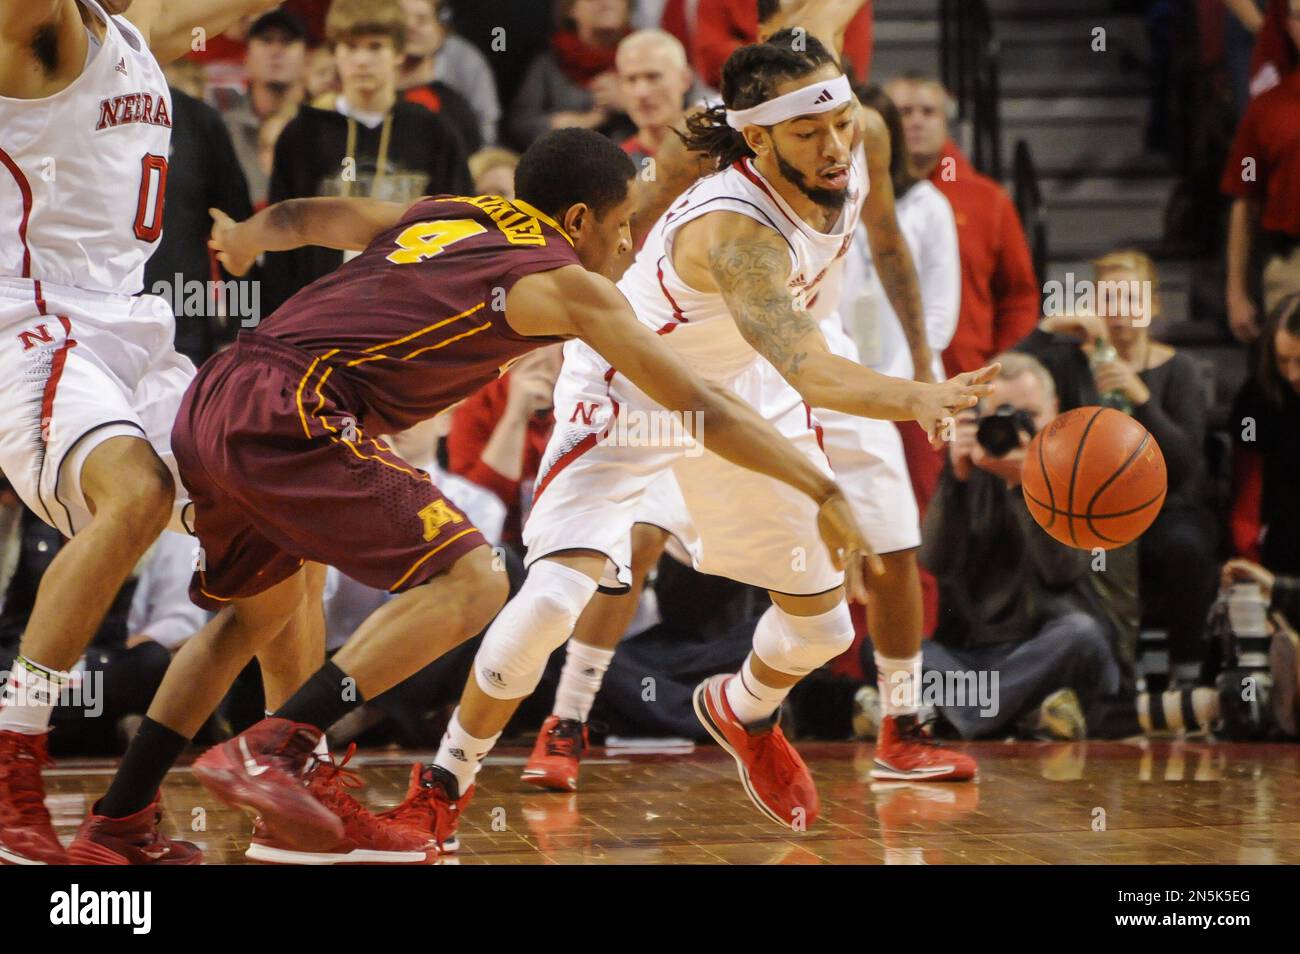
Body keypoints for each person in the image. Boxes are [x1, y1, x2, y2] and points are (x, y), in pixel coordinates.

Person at [68, 127, 923, 865]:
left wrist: (251, 237)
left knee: (251, 616)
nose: (630, 247)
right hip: (300, 403)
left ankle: (122, 819)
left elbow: (307, 217)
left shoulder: (451, 212)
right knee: (475, 580)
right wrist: (816, 481)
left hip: (221, 389)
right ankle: (279, 748)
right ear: (580, 221)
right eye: (624, 227)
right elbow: (701, 405)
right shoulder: (571, 283)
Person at [393, 31, 998, 853]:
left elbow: (796, 359)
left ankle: (742, 709)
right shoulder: (734, 234)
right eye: (809, 132)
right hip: (633, 387)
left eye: (844, 122)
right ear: (758, 136)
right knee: (548, 603)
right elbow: (813, 368)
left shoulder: (850, 144)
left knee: (824, 630)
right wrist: (919, 394)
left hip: (743, 389)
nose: (834, 146)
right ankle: (441, 788)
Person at [0, 0, 287, 867]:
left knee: (280, 524)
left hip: (134, 329)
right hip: (33, 321)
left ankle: (278, 773)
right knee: (137, 493)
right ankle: (14, 762)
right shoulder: (33, 30)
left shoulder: (138, 27)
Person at [1018, 250, 1218, 684]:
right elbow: (1005, 383)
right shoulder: (1069, 364)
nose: (1120, 312)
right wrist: (1045, 329)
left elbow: (1186, 465)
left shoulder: (1179, 368)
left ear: (1155, 306)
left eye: (1131, 299)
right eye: (1108, 300)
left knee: (1187, 547)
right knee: (1091, 550)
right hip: (1089, 505)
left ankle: (1187, 672)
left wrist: (1142, 397)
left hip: (1168, 505)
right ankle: (1113, 678)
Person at [919, 353, 1122, 740]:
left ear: (1055, 410)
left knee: (1083, 635)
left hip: (1048, 647)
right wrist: (954, 482)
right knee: (890, 647)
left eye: (1029, 413)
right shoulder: (973, 466)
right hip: (975, 655)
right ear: (980, 418)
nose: (1017, 426)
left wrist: (1023, 486)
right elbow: (935, 562)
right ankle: (1019, 713)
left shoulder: (1083, 472)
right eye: (1004, 414)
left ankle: (969, 713)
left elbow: (1062, 570)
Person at [260, 0, 472, 314]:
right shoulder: (303, 134)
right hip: (319, 310)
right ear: (334, 54)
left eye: (375, 47)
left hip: (411, 309)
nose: (362, 61)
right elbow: (280, 238)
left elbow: (462, 232)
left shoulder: (433, 132)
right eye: (350, 47)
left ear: (399, 53)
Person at [885, 74, 1040, 377]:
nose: (916, 122)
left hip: (966, 377)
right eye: (904, 112)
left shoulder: (989, 199)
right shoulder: (859, 194)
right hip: (877, 377)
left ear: (945, 122)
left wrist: (1001, 368)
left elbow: (1018, 297)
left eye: (928, 112)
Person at [1222, 8, 1300, 345]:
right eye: (1297, 16)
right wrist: (1236, 291)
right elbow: (1245, 198)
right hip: (1291, 269)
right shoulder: (1267, 107)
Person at [1230, 293, 1300, 575]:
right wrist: (1248, 547)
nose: (1293, 374)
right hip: (1284, 522)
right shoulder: (1256, 398)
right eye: (1284, 361)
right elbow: (1248, 477)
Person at [506, 0, 635, 149]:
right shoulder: (551, 62)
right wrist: (583, 122)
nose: (606, 3)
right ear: (570, 9)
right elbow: (521, 125)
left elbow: (667, 121)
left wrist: (629, 103)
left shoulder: (647, 55)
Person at [218, 9, 307, 207]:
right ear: (246, 58)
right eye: (266, 40)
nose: (276, 50)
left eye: (287, 41)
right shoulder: (224, 129)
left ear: (306, 59)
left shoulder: (323, 127)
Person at [398, 0, 500, 150]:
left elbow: (485, 127)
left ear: (441, 32)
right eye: (401, 18)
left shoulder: (455, 109)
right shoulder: (364, 94)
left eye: (422, 20)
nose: (411, 26)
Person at [615, 29, 697, 169]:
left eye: (653, 77)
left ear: (685, 79)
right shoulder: (612, 168)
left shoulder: (718, 156)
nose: (641, 92)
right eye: (631, 79)